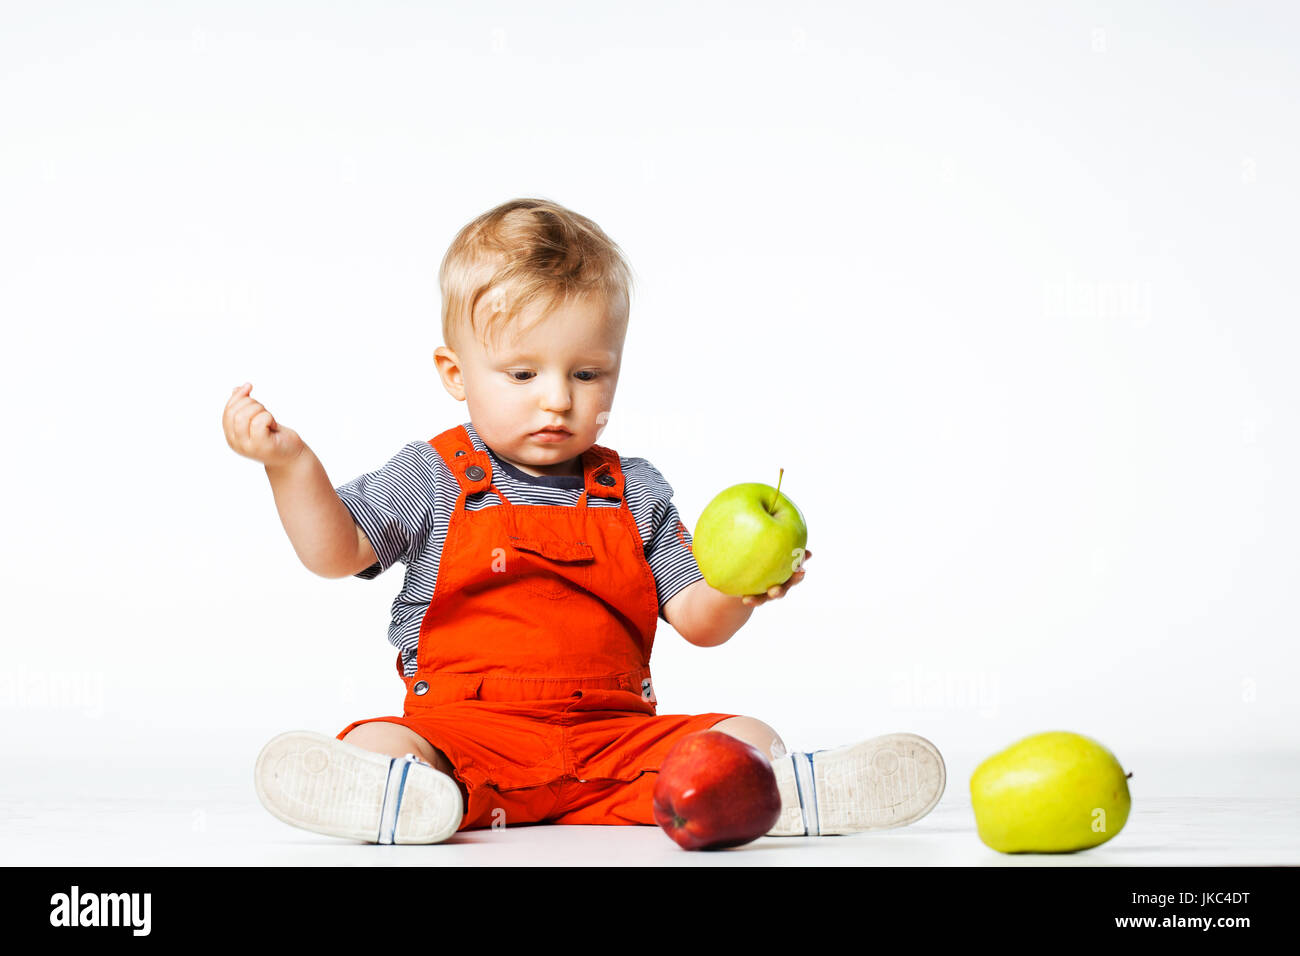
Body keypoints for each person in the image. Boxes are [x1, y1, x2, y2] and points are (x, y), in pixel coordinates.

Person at [222, 197, 945, 844]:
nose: (558, 400)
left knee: (746, 737)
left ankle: (784, 792)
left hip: (614, 742)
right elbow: (336, 551)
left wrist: (741, 584)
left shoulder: (635, 488)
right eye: (523, 373)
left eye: (587, 373)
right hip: (471, 734)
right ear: (455, 374)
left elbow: (696, 618)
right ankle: (392, 794)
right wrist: (290, 465)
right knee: (386, 740)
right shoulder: (435, 475)